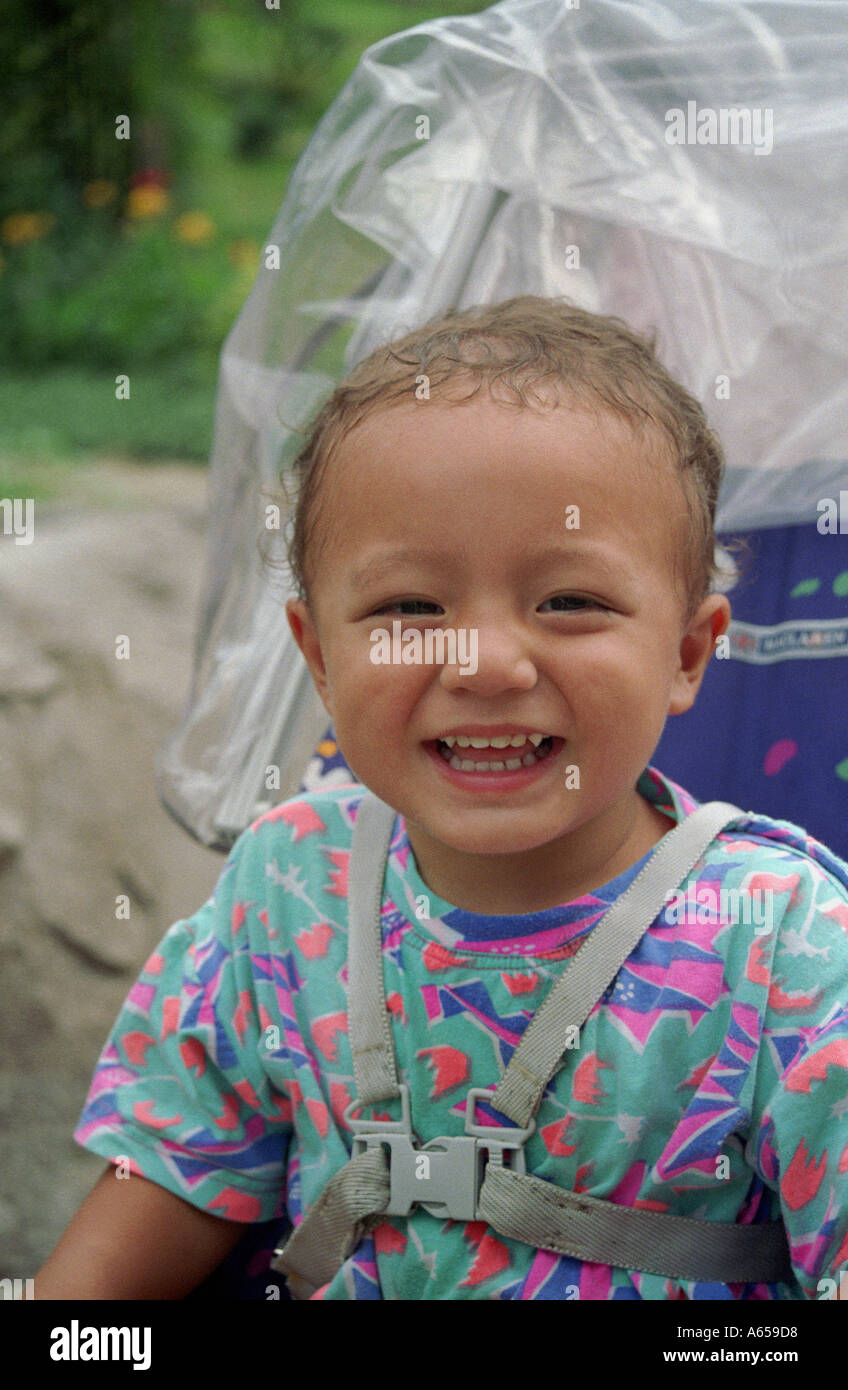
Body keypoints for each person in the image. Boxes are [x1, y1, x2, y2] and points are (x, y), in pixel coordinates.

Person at [35, 296, 848, 1300]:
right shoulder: (286, 886)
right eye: (409, 606)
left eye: (568, 602)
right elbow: (173, 1166)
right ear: (320, 658)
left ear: (685, 651)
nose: (484, 661)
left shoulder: (785, 943)